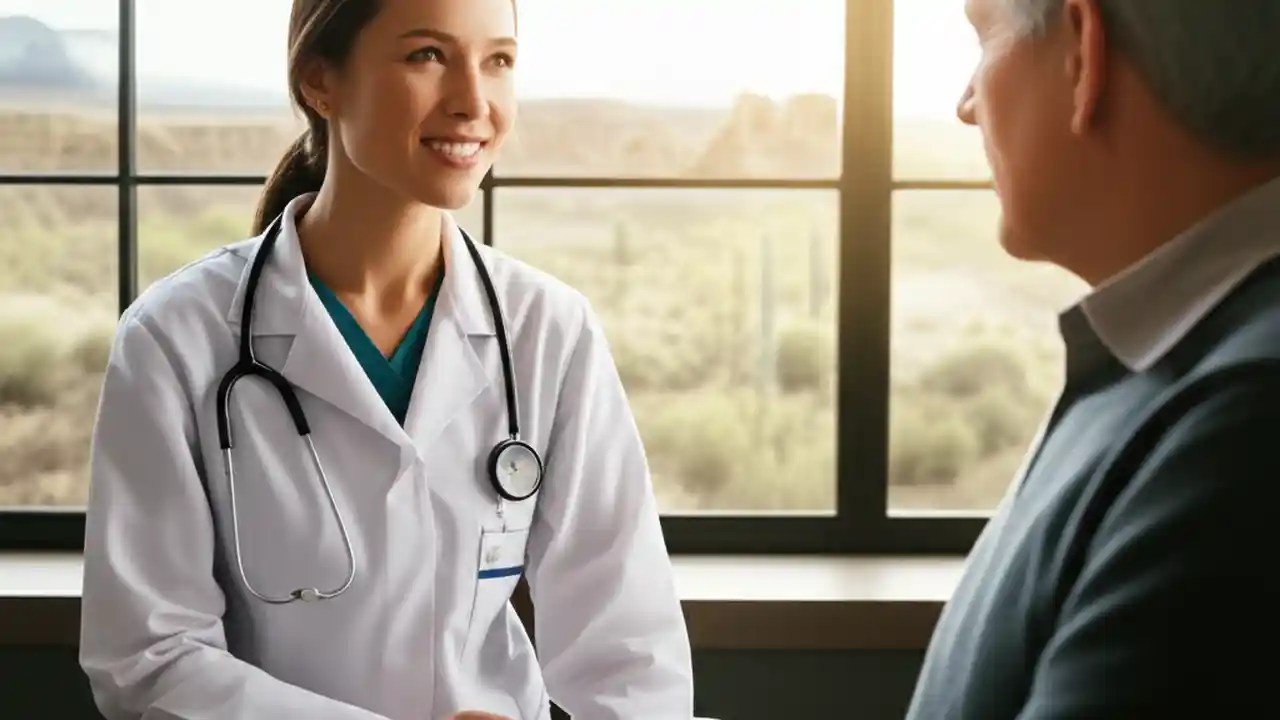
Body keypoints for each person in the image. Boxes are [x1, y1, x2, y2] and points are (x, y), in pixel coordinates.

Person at [78, 0, 695, 718]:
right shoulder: (176, 339)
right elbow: (150, 659)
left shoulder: (549, 331)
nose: (473, 102)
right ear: (319, 82)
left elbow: (629, 654)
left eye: (498, 60)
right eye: (426, 56)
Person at [907, 0, 1280, 717]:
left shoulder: (1244, 431)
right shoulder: (1177, 361)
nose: (964, 104)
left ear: (1082, 51)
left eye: (984, 39)